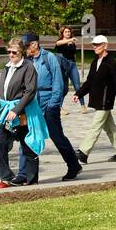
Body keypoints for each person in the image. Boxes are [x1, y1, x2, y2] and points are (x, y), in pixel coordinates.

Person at [18, 32, 81, 183]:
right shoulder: (26, 61)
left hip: (48, 104)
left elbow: (58, 83)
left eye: (26, 46)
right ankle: (23, 173)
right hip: (32, 106)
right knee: (27, 138)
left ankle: (73, 165)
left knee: (57, 136)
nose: (24, 50)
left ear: (34, 44)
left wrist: (54, 104)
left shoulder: (49, 58)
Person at [0, 40, 46, 188]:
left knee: (27, 143)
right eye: (8, 52)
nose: (11, 55)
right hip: (6, 112)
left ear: (21, 52)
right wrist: (2, 111)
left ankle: (31, 177)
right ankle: (6, 176)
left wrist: (16, 110)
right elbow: (4, 94)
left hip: (24, 112)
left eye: (14, 52)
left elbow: (30, 92)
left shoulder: (28, 67)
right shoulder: (7, 67)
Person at [74, 34, 116, 163]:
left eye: (98, 45)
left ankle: (83, 152)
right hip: (97, 100)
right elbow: (89, 81)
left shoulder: (112, 63)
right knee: (110, 127)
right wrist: (79, 93)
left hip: (106, 101)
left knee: (95, 126)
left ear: (105, 45)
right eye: (94, 45)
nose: (95, 47)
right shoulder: (95, 61)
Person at [54, 25, 82, 96]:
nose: (68, 33)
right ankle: (60, 106)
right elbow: (57, 43)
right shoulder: (60, 42)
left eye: (69, 32)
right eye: (66, 32)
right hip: (63, 67)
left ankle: (83, 106)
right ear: (62, 33)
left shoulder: (72, 43)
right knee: (65, 88)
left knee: (77, 86)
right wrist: (70, 40)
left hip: (72, 65)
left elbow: (73, 54)